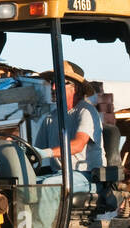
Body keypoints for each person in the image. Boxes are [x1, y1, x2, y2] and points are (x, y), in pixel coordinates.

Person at [32, 60, 103, 194]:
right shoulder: (50, 118)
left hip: (87, 175)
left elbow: (78, 145)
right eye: (52, 83)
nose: (53, 88)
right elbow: (37, 151)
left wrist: (47, 153)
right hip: (59, 174)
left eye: (58, 83)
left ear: (75, 88)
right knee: (26, 184)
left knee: (48, 185)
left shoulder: (86, 112)